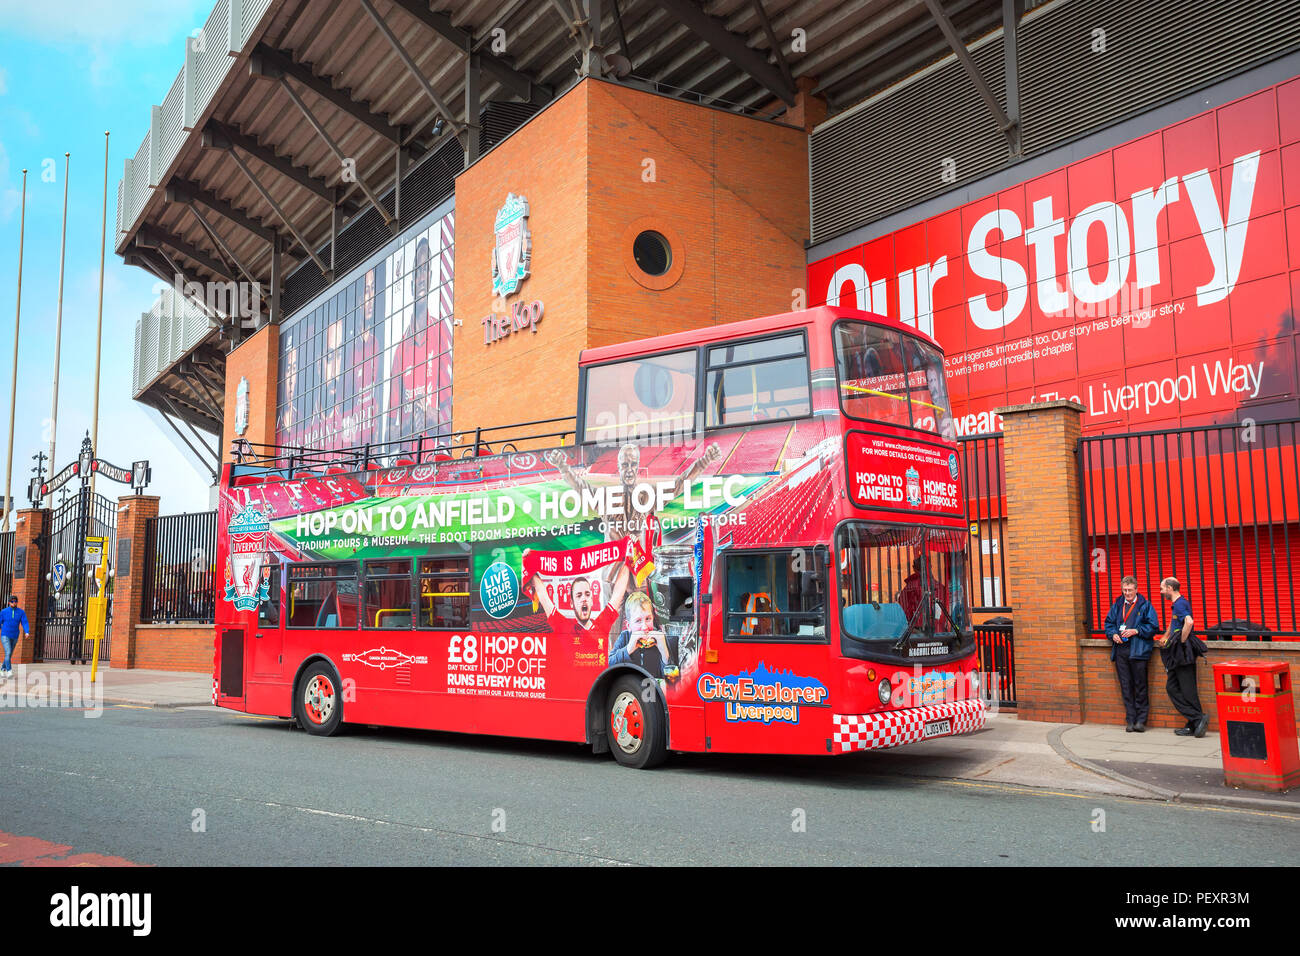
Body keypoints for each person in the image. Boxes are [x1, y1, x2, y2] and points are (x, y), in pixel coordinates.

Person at [1103, 575, 1159, 732]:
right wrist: (1113, 634)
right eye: (1124, 590)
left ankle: (1141, 721)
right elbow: (1108, 623)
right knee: (1126, 686)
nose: (1127, 593)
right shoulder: (1117, 605)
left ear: (1136, 589)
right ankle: (1130, 720)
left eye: (1129, 590)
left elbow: (1154, 627)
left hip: (1138, 650)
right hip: (1121, 650)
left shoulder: (1145, 605)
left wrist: (1136, 630)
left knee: (1140, 686)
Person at [1157, 577, 1208, 737]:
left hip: (1182, 652)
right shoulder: (1178, 604)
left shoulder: (1180, 604)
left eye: (1162, 588)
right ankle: (1194, 722)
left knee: (1187, 689)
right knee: (1174, 687)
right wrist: (1166, 635)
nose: (1161, 591)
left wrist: (1182, 640)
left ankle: (1197, 719)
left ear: (1170, 588)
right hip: (1178, 652)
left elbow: (1189, 622)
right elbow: (1175, 623)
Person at [609, 591, 674, 679]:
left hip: (654, 690)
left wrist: (664, 653)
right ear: (629, 626)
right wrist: (628, 649)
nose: (644, 627)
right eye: (638, 621)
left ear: (653, 618)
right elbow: (607, 665)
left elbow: (673, 681)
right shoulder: (625, 637)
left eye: (648, 619)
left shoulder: (660, 639)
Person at [1, 594, 30, 679]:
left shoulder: (21, 612)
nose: (14, 603)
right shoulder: (3, 611)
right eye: (12, 601)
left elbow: (24, 622)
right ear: (9, 602)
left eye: (15, 601)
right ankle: (9, 671)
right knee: (8, 652)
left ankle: (2, 669)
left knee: (9, 654)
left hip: (15, 635)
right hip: (5, 635)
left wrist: (27, 631)